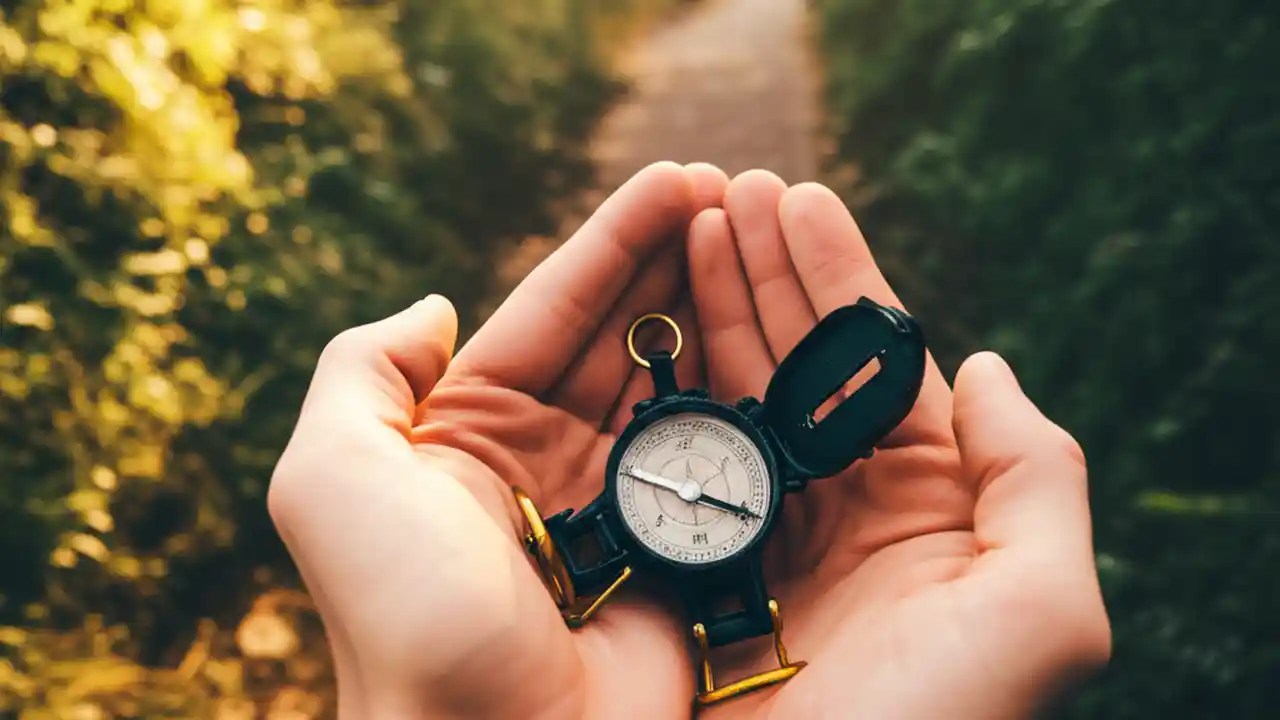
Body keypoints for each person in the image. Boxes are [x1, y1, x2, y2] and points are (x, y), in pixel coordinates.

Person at [266, 163, 1112, 719]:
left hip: (721, 525)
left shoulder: (718, 471)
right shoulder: (698, 483)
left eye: (702, 486)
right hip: (687, 535)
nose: (695, 489)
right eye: (686, 483)